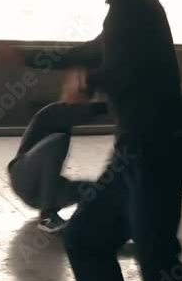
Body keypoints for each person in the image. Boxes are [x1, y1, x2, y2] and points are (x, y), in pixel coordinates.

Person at [0, 0, 182, 281]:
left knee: (158, 265)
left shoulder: (130, 8)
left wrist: (87, 81)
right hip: (135, 149)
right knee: (84, 239)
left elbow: (123, 69)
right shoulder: (133, 6)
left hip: (156, 149)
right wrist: (32, 56)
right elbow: (95, 51)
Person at [7, 91, 107, 233]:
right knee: (57, 140)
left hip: (42, 194)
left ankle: (100, 222)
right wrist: (115, 105)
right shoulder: (53, 111)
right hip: (23, 177)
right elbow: (85, 112)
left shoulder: (69, 116)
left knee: (97, 189)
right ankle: (47, 214)